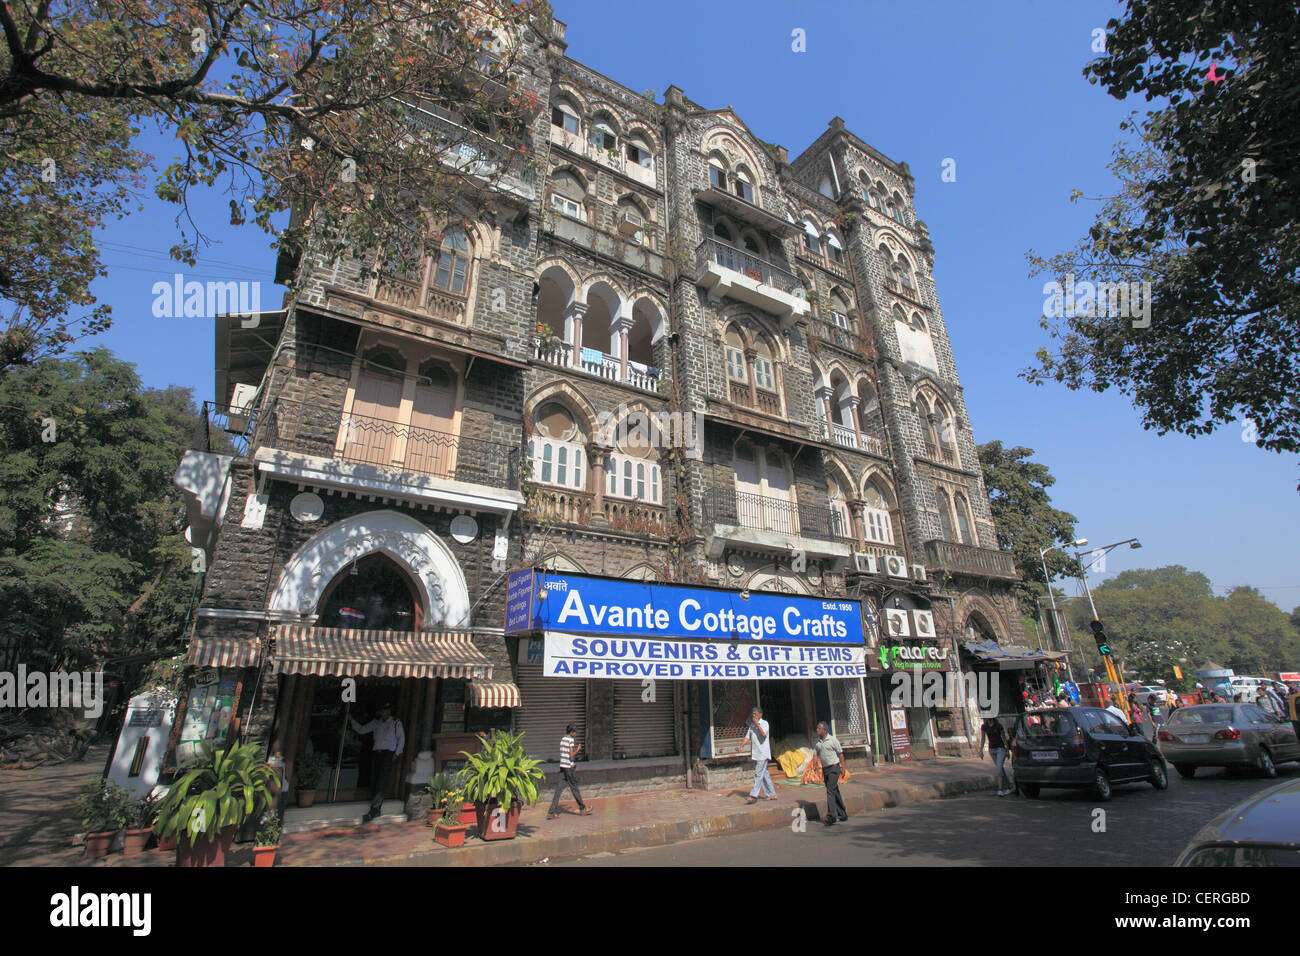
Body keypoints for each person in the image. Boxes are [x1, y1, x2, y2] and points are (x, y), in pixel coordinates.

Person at [350, 701, 404, 824]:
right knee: (375, 779)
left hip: (388, 753)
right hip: (377, 752)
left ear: (389, 711)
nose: (383, 713)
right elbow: (362, 730)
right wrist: (351, 720)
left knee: (382, 780)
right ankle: (375, 805)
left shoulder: (396, 723)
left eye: (385, 710)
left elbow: (401, 739)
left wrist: (396, 753)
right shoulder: (376, 723)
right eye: (381, 710)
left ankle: (375, 809)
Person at [547, 724, 592, 819]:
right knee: (574, 788)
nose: (576, 734)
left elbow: (564, 755)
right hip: (568, 768)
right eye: (575, 732)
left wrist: (573, 764)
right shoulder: (570, 740)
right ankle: (582, 808)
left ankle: (551, 812)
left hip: (563, 767)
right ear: (571, 732)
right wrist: (578, 750)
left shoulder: (563, 739)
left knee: (558, 790)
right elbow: (571, 756)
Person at [738, 707, 777, 804]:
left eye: (755, 714)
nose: (753, 716)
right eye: (752, 714)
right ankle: (772, 794)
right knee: (764, 774)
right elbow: (748, 737)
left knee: (758, 774)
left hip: (762, 754)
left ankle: (753, 795)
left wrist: (757, 724)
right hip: (757, 753)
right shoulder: (751, 726)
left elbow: (763, 734)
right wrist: (742, 745)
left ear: (760, 715)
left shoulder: (764, 724)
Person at [813, 721, 848, 824]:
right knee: (834, 790)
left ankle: (832, 816)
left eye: (819, 728)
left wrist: (843, 767)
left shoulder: (832, 740)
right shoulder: (818, 742)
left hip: (834, 767)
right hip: (825, 769)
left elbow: (840, 754)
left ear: (824, 730)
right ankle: (842, 813)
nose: (817, 730)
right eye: (817, 728)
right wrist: (815, 764)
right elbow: (815, 753)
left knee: (830, 791)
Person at [978, 716, 1013, 796]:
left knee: (999, 768)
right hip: (992, 749)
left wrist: (1007, 750)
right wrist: (981, 750)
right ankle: (1009, 787)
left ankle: (1000, 789)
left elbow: (1004, 738)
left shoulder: (998, 726)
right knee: (1000, 768)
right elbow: (983, 738)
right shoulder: (984, 727)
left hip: (1000, 748)